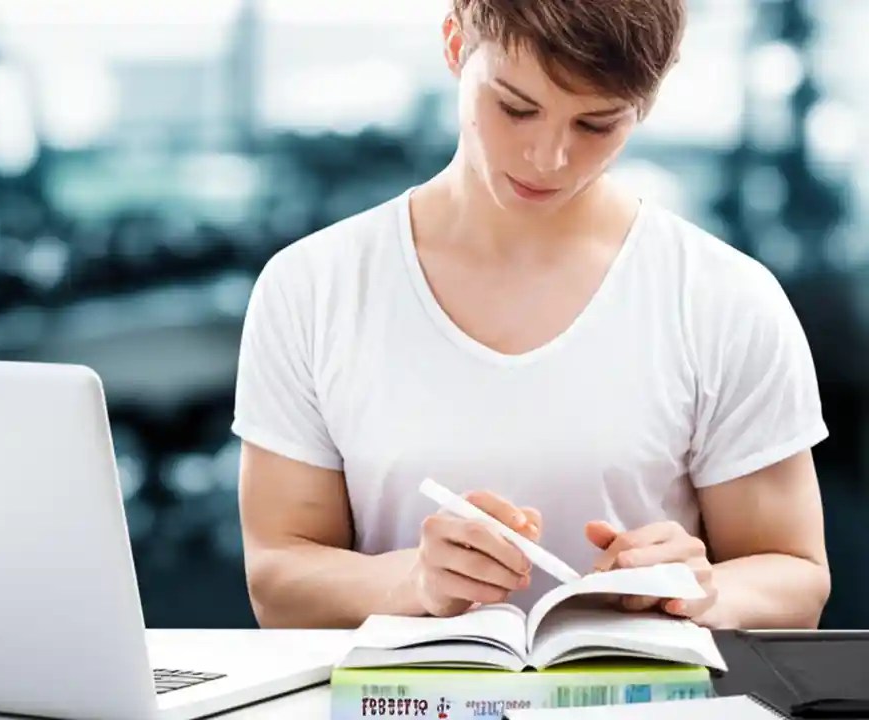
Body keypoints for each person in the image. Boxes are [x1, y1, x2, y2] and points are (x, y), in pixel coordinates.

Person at [232, 0, 831, 630]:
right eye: (516, 108)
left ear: (648, 102)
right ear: (455, 44)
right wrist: (410, 580)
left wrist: (706, 593)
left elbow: (794, 575)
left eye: (596, 125)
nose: (549, 157)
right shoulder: (313, 287)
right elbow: (277, 578)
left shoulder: (724, 297)